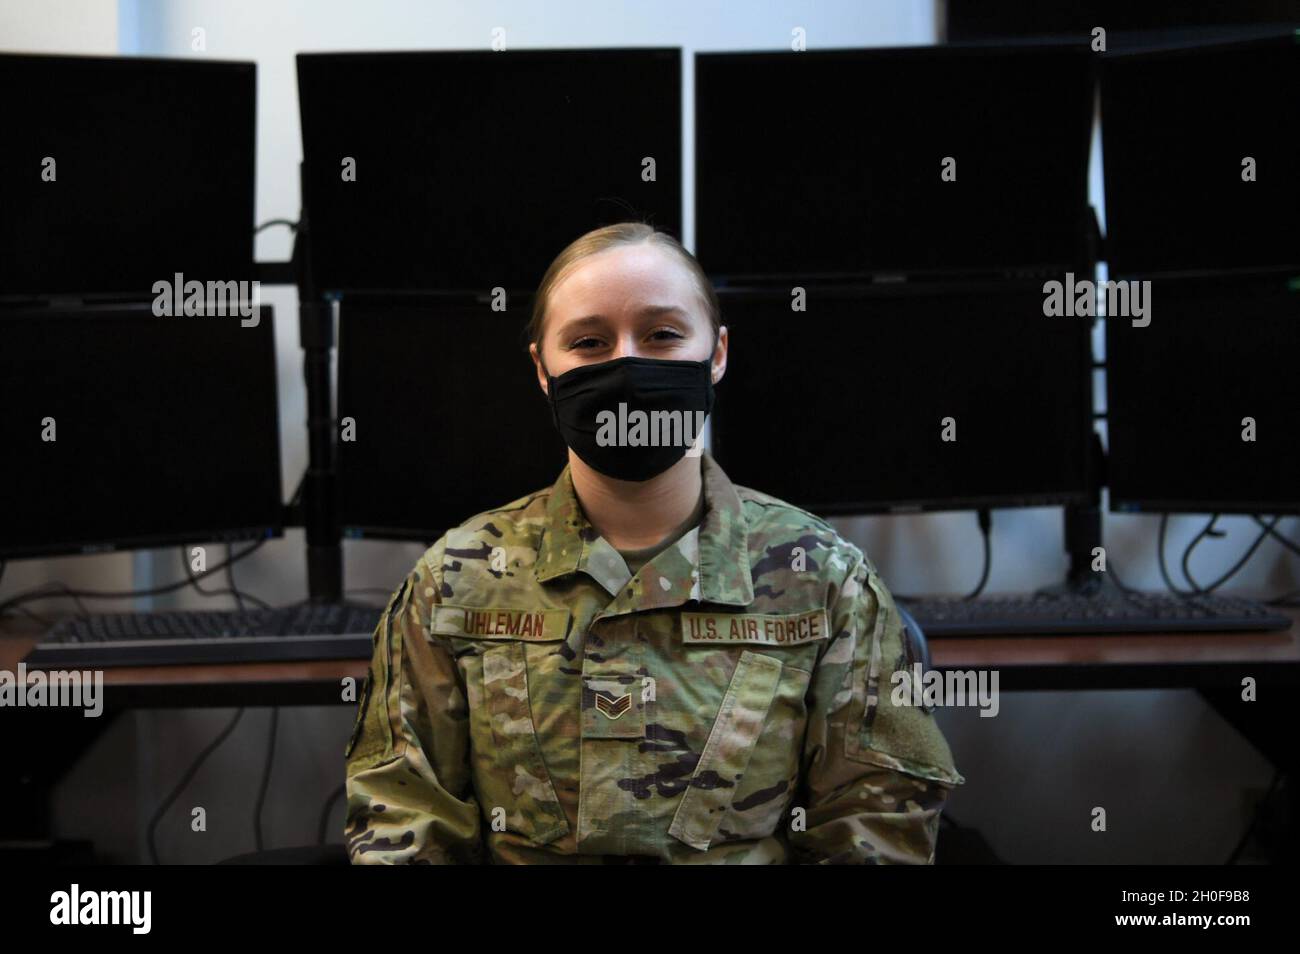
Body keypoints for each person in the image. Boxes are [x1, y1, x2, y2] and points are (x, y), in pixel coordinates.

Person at [344, 222, 964, 864]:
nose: (626, 366)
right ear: (542, 369)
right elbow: (406, 824)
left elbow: (871, 827)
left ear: (716, 353)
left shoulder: (825, 579)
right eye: (588, 342)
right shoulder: (455, 578)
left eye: (663, 335)